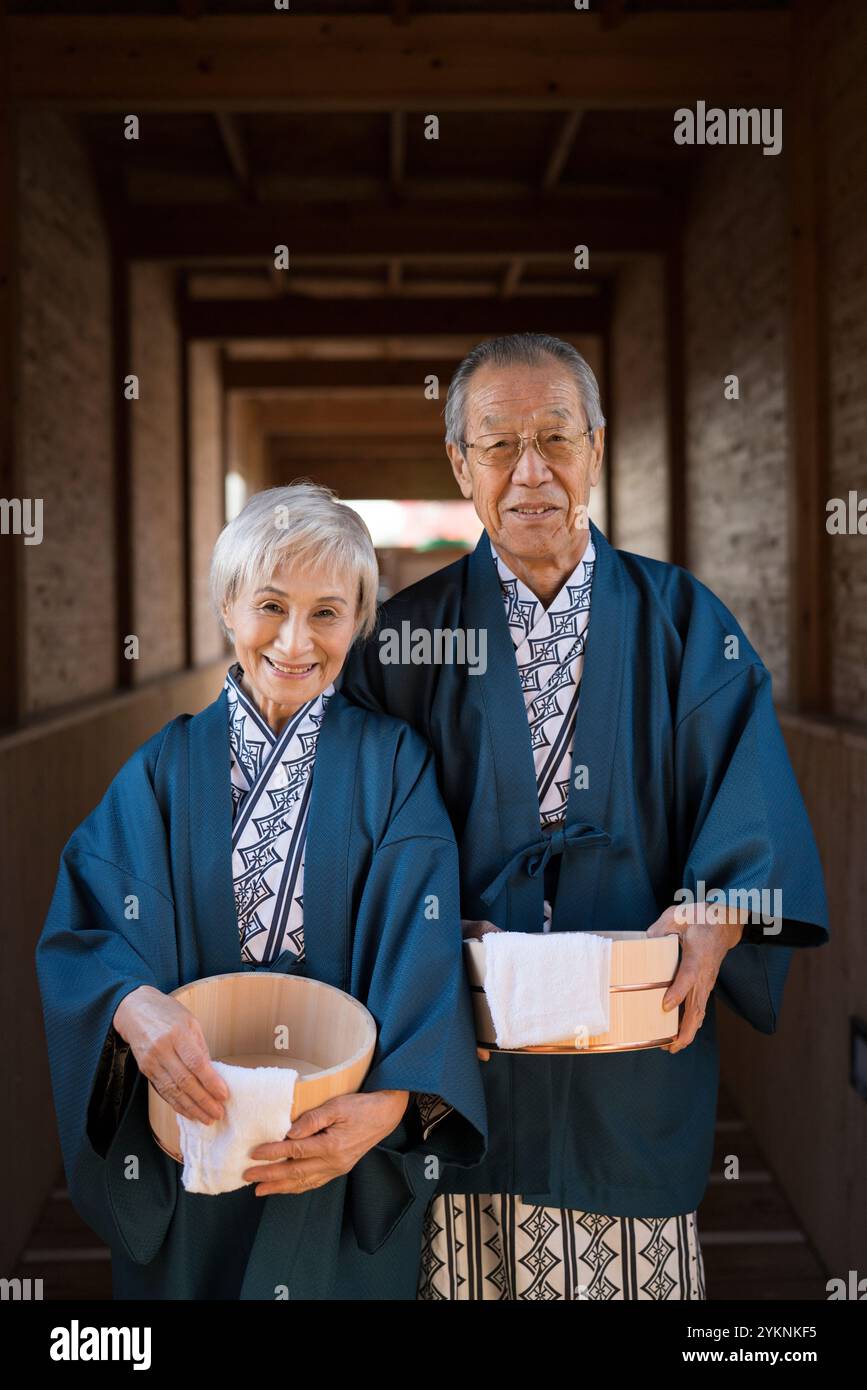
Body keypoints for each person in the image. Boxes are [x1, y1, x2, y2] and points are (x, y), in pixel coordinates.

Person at [341, 332, 829, 1301]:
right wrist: (422, 928)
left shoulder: (686, 624)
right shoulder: (401, 642)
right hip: (463, 1062)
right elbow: (356, 842)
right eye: (498, 445)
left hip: (634, 1063)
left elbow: (751, 803)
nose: (532, 472)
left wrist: (719, 910)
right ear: (459, 465)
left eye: (557, 437)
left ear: (598, 449)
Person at [35, 482, 486, 1301]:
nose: (294, 640)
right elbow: (84, 934)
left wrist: (387, 1111)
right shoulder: (163, 772)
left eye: (327, 612)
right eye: (270, 605)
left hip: (335, 1153)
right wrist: (132, 1007)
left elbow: (425, 950)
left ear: (358, 621)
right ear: (226, 607)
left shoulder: (394, 767)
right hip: (187, 1139)